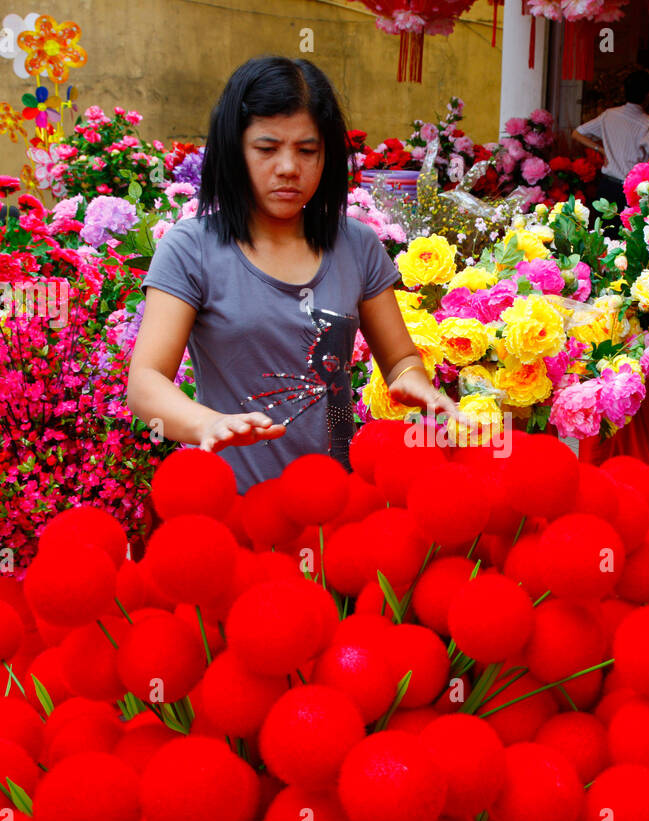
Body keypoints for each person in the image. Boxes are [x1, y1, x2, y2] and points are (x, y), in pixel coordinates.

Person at [129, 56, 461, 493]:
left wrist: (418, 387)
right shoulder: (192, 248)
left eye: (307, 151)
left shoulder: (356, 244)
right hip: (239, 506)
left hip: (334, 505)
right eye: (267, 149)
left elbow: (398, 360)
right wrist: (207, 423)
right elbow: (145, 381)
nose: (289, 168)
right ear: (234, 149)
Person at [571, 70, 649, 216]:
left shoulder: (609, 115)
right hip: (632, 188)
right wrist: (640, 173)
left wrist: (601, 149)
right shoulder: (647, 123)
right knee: (629, 234)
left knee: (604, 234)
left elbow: (577, 133)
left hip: (607, 185)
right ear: (648, 95)